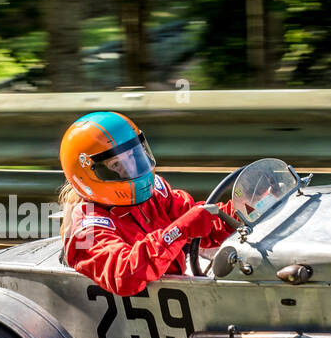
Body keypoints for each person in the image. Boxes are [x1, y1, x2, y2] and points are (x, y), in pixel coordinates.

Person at [58, 111, 234, 297]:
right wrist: (178, 232)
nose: (132, 168)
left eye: (134, 155)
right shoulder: (87, 232)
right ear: (88, 173)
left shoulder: (155, 195)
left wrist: (247, 208)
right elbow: (124, 275)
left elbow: (203, 223)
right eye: (116, 164)